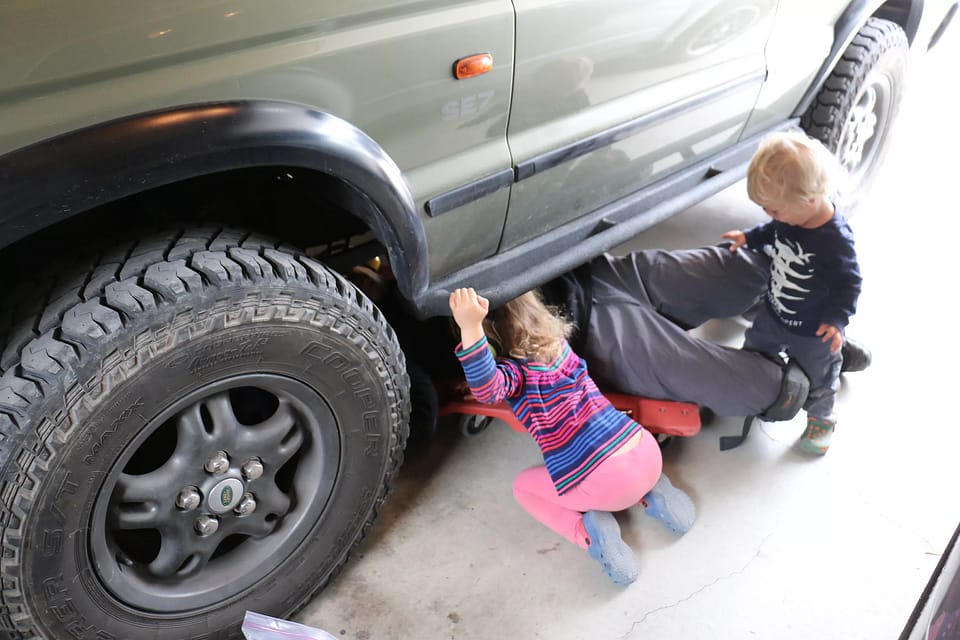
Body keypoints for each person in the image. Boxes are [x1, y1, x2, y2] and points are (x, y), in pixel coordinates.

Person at [448, 287, 695, 585]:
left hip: (608, 484)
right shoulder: (560, 347)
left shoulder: (515, 374)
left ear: (492, 343)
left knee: (523, 488)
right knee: (617, 462)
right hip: (646, 450)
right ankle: (652, 490)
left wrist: (469, 326)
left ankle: (589, 533)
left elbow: (488, 390)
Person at [718, 130, 861, 453]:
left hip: (813, 332)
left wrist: (836, 320)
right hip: (775, 311)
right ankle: (752, 386)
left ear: (809, 201)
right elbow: (773, 230)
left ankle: (822, 419)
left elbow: (850, 283)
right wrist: (749, 237)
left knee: (820, 378)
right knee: (754, 348)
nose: (771, 215)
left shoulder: (835, 241)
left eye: (774, 209)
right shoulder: (792, 218)